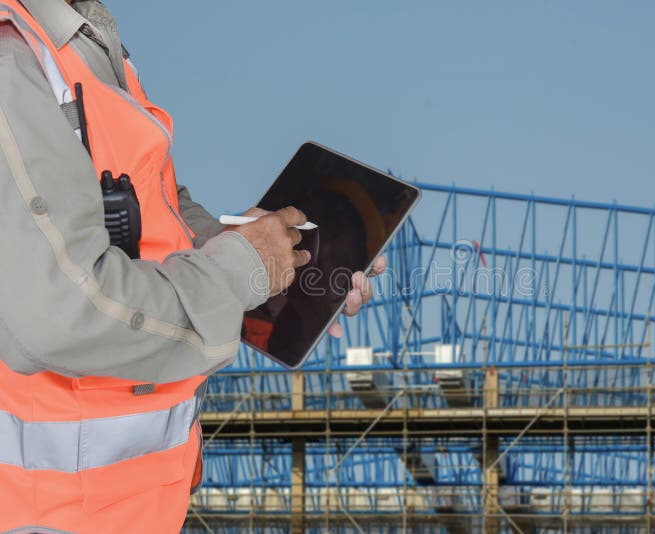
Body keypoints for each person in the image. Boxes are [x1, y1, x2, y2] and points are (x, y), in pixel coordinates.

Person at [0, 0, 385, 531]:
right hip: (41, 513)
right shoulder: (13, 58)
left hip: (134, 508)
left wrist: (258, 248)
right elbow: (61, 311)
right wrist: (238, 270)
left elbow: (150, 208)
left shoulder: (83, 41)